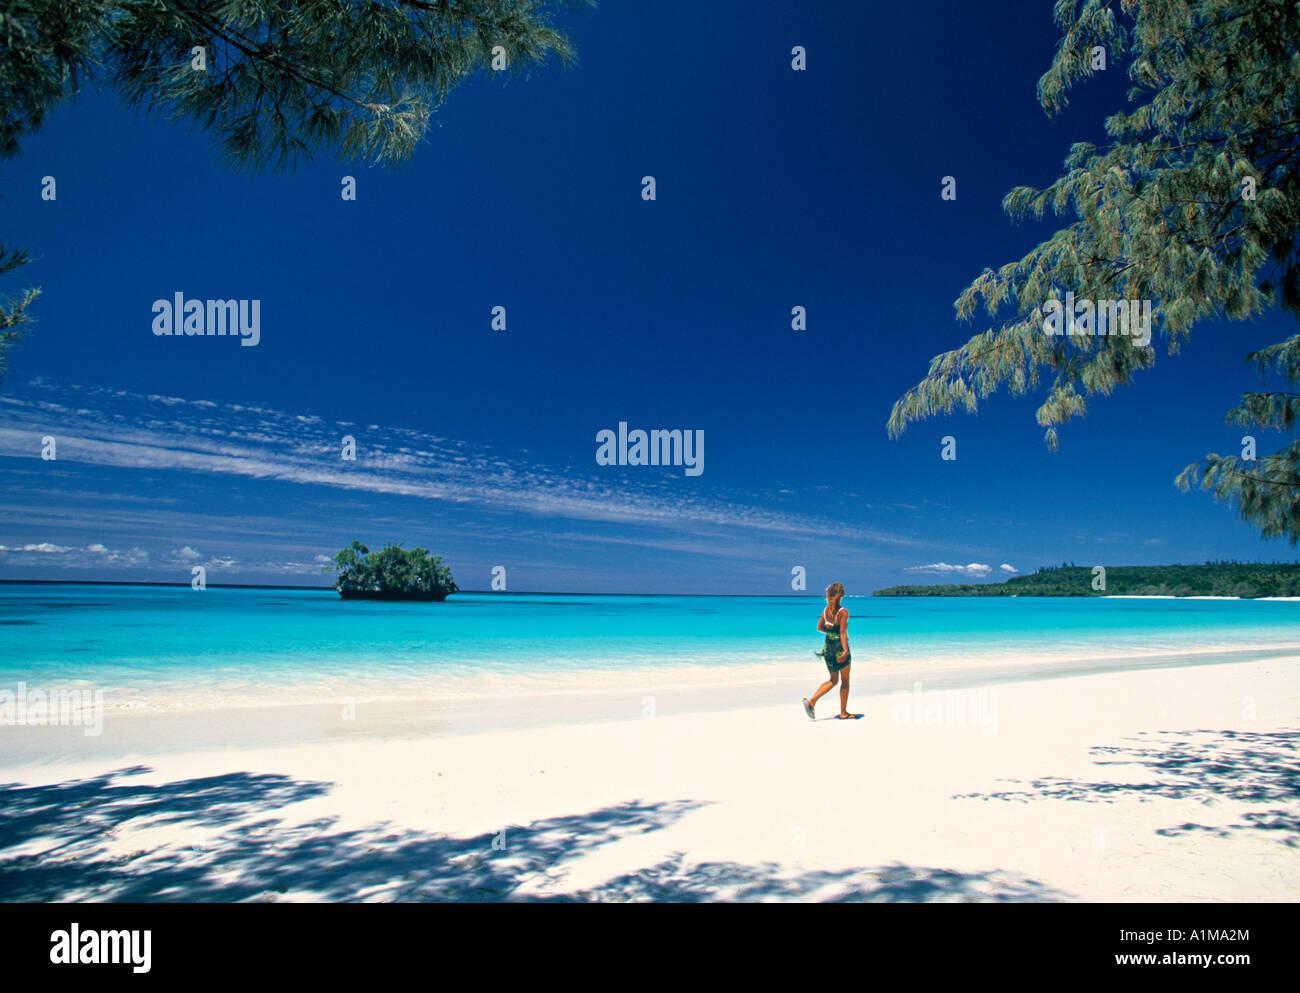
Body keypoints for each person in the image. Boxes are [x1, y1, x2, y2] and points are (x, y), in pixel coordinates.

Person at [803, 581, 861, 720]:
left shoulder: (825, 611)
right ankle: (843, 712)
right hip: (839, 648)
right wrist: (845, 651)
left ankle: (812, 701)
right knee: (845, 681)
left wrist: (830, 631)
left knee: (833, 680)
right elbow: (842, 632)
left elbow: (819, 628)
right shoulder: (843, 612)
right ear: (841, 595)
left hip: (828, 648)